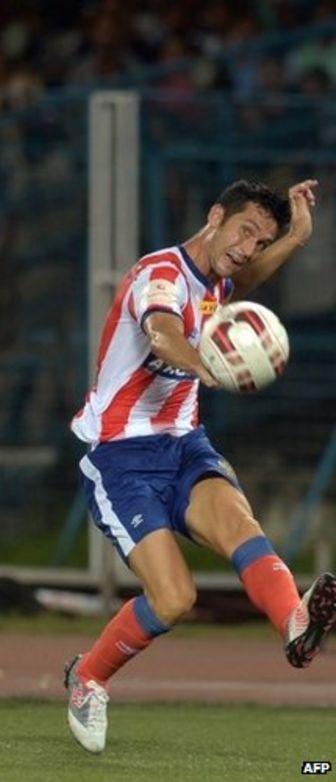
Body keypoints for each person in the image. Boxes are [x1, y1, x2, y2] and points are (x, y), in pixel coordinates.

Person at [65, 178, 336, 753]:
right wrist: (207, 364)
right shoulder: (158, 274)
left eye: (261, 240)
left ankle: (296, 626)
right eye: (244, 231)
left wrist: (295, 239)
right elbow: (162, 334)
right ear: (215, 216)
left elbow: (245, 277)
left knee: (244, 528)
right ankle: (87, 677)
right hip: (121, 459)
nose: (249, 247)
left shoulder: (218, 278)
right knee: (175, 599)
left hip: (185, 444)